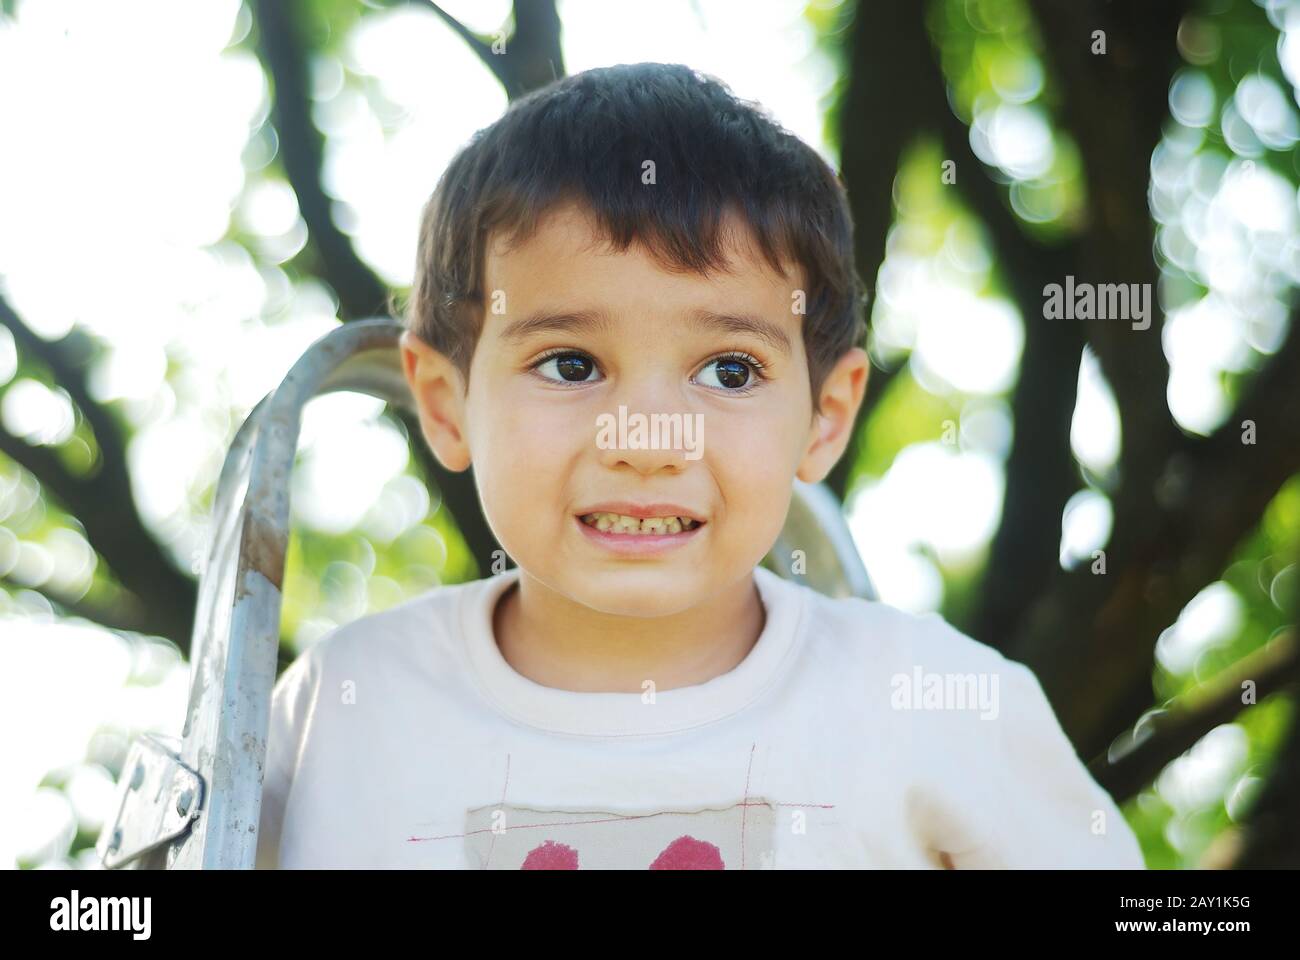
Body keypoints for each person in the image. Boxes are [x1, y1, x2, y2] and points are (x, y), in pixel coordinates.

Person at [254, 62, 1144, 869]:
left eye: (729, 371)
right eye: (570, 363)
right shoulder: (341, 708)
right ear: (445, 406)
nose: (647, 442)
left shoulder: (938, 705)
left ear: (825, 418)